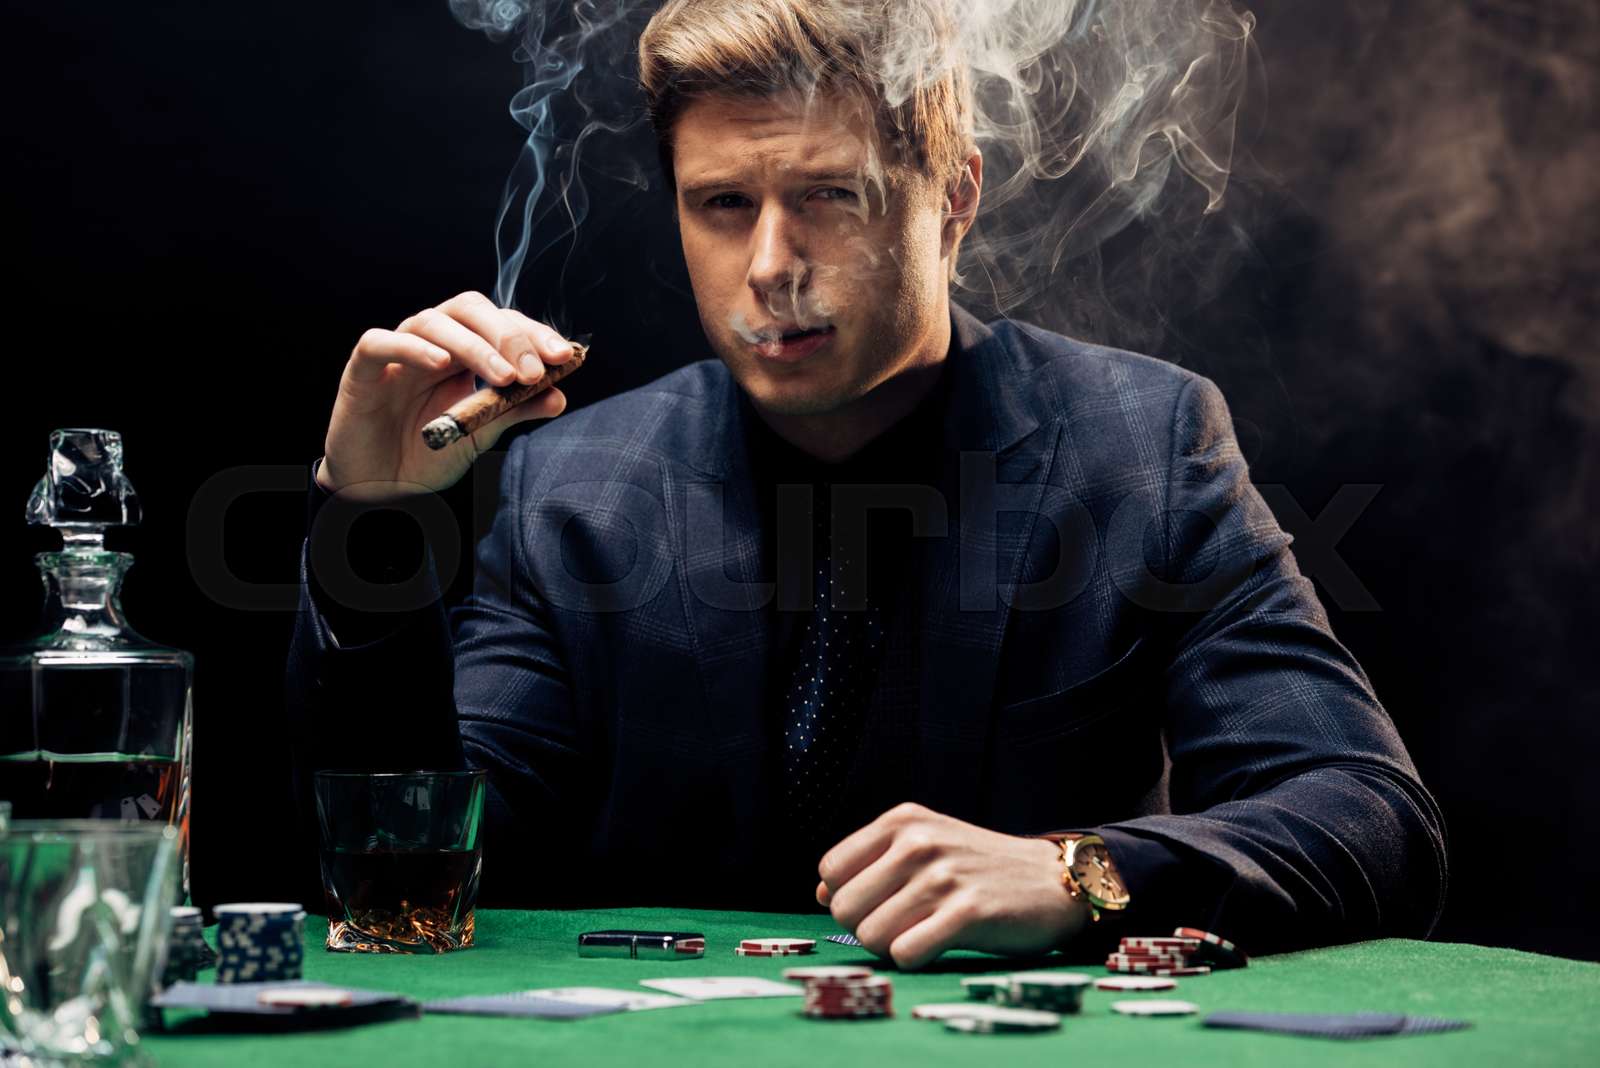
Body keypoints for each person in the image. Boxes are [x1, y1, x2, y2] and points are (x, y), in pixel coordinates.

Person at [285, 0, 1446, 969]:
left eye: (829, 197)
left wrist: (1077, 870)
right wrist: (373, 525)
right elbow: (429, 870)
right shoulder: (568, 487)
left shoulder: (1140, 443)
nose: (772, 267)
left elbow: (1368, 819)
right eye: (723, 206)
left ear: (953, 201)